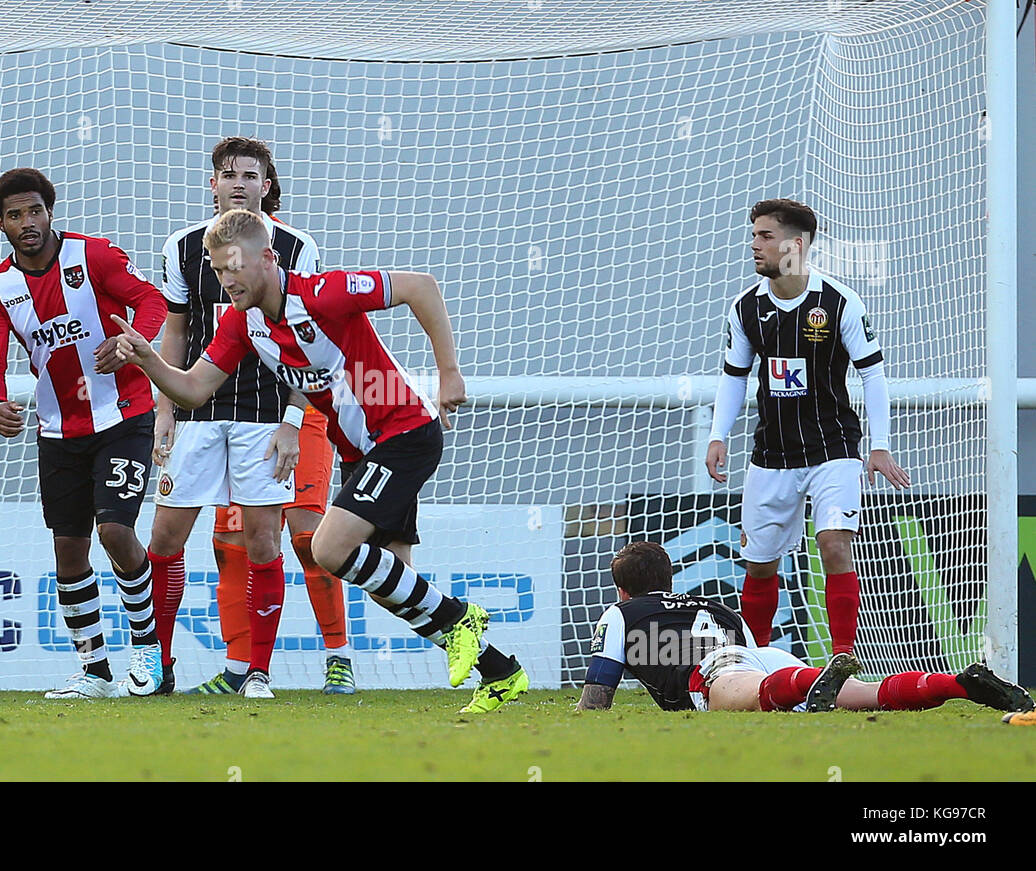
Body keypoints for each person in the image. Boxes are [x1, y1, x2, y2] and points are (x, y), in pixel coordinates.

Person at [96, 208, 529, 713]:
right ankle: (500, 672)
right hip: (363, 451)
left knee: (327, 547)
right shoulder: (241, 322)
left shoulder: (323, 292)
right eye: (217, 269)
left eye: (234, 265)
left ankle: (461, 620)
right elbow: (194, 390)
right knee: (393, 583)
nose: (226, 279)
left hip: (404, 433)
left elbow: (421, 286)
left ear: (268, 258)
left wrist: (448, 373)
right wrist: (148, 359)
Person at [151, 140, 351, 698]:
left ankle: (291, 664)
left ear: (268, 184)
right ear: (211, 184)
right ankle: (166, 666)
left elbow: (312, 341)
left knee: (284, 538)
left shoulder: (296, 247)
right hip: (201, 409)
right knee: (179, 538)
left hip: (273, 413)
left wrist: (294, 418)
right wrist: (165, 410)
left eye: (249, 175)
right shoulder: (183, 247)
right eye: (226, 175)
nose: (237, 183)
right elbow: (175, 330)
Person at [0, 168, 166, 698]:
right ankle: (95, 671)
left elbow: (151, 302)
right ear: (2, 225)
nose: (27, 222)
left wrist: (133, 344)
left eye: (34, 210)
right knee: (68, 552)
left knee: (116, 533)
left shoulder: (95, 255)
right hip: (58, 430)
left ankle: (149, 652)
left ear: (49, 211)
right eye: (15, 215)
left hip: (123, 416)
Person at [705, 198, 911, 661]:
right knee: (759, 566)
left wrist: (879, 446)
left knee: (834, 544)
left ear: (795, 245)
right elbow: (734, 376)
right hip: (772, 452)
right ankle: (754, 663)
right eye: (754, 235)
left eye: (765, 236)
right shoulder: (745, 307)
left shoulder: (839, 302)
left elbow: (872, 373)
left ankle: (842, 660)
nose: (754, 245)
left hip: (833, 446)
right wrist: (719, 434)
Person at [574, 542, 1031, 715]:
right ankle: (956, 684)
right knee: (866, 696)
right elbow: (751, 652)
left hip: (722, 671)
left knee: (742, 693)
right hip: (768, 663)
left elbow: (598, 697)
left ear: (622, 589)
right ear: (669, 580)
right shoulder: (718, 607)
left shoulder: (621, 615)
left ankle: (813, 682)